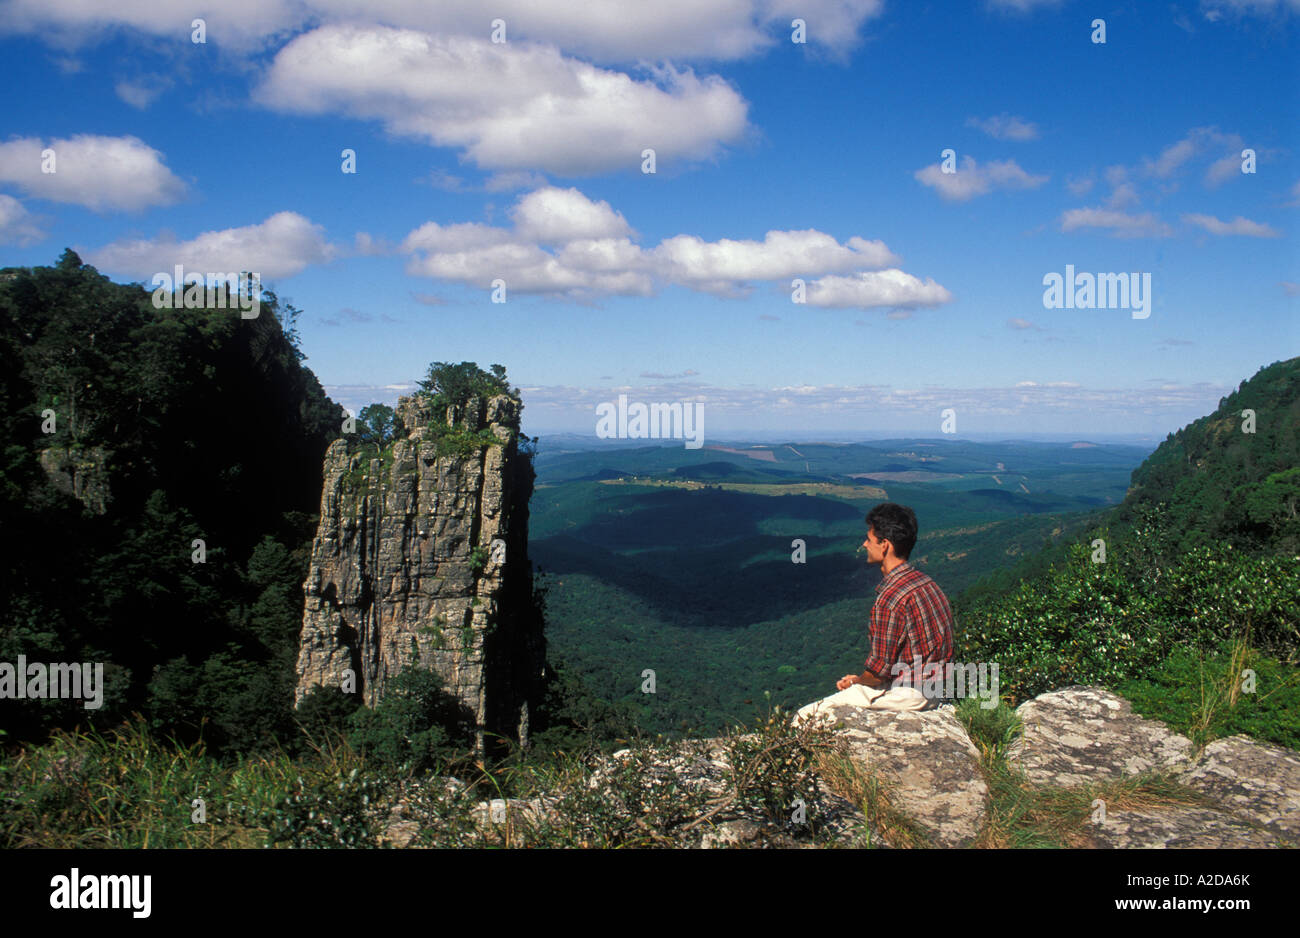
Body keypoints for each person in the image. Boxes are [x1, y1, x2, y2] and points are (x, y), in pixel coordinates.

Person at [794, 502, 955, 723]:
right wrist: (860, 680)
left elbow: (879, 671)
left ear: (885, 545)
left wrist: (857, 682)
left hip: (910, 695)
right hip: (936, 689)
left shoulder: (890, 598)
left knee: (805, 717)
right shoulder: (927, 584)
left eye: (869, 539)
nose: (865, 544)